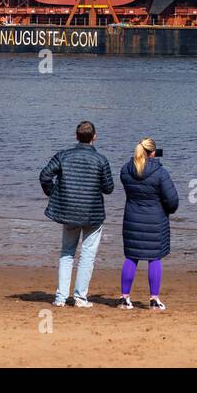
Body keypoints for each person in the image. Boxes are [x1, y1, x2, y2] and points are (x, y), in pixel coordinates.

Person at [40, 120, 114, 307]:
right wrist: (55, 192)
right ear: (94, 138)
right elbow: (108, 188)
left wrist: (55, 193)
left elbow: (45, 176)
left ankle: (61, 297)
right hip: (92, 213)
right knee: (87, 255)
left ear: (76, 136)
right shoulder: (100, 160)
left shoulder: (63, 156)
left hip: (69, 210)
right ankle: (80, 298)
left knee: (67, 253)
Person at [118, 138, 179, 311]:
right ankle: (153, 300)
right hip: (155, 220)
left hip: (132, 218)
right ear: (153, 153)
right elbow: (172, 200)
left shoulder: (125, 170)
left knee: (131, 256)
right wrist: (167, 209)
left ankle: (124, 298)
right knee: (154, 258)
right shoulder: (160, 173)